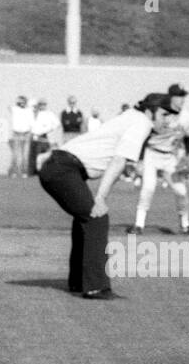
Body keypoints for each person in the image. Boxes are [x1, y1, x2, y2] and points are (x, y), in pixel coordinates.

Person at [37, 93, 175, 298]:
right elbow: (118, 161)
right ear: (149, 112)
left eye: (170, 115)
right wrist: (100, 198)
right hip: (63, 169)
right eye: (164, 114)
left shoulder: (133, 117)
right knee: (97, 217)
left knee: (86, 217)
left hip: (60, 166)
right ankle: (96, 287)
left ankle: (79, 282)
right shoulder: (143, 123)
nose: (168, 120)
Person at [130, 82, 189, 236]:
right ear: (171, 97)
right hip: (151, 153)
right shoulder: (158, 112)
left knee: (181, 191)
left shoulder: (186, 117)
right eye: (178, 96)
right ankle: (139, 225)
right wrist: (140, 159)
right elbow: (144, 136)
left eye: (183, 96)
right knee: (148, 188)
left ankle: (185, 225)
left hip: (170, 157)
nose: (182, 99)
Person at [9, 95, 33, 177]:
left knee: (25, 155)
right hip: (16, 134)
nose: (22, 103)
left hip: (26, 134)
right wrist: (18, 101)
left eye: (23, 102)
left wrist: (31, 132)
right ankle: (14, 172)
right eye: (20, 102)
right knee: (16, 154)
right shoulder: (15, 109)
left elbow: (32, 122)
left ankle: (24, 172)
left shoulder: (29, 110)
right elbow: (9, 106)